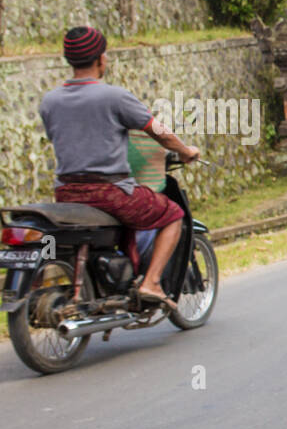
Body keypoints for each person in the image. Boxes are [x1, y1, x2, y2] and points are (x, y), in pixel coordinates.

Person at [39, 26, 201, 306]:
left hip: (66, 193)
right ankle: (151, 283)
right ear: (101, 59)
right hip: (110, 194)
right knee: (173, 214)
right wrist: (185, 151)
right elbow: (157, 130)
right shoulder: (114, 96)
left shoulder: (49, 101)